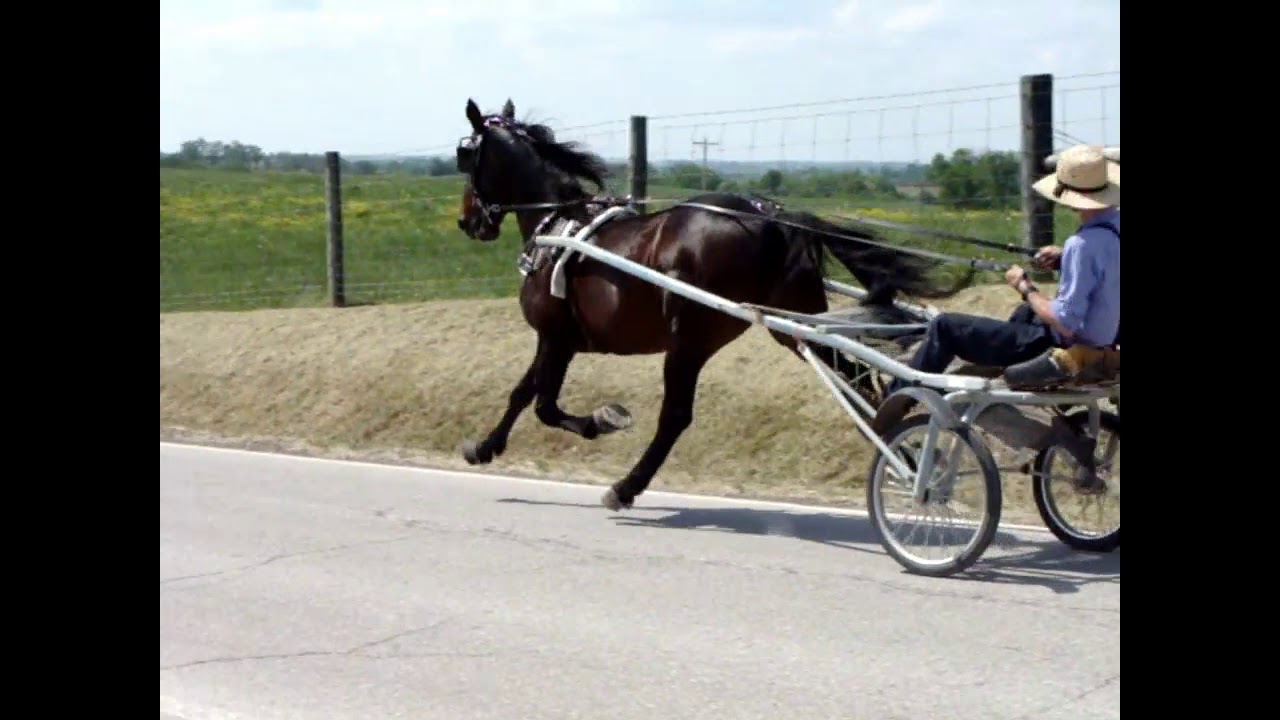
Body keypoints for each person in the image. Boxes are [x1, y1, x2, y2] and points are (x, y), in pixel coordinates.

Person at [883, 143, 1119, 396]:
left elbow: (1065, 321)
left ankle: (895, 397)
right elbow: (1105, 265)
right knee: (1026, 312)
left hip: (1067, 346)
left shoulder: (1082, 245)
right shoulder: (1112, 227)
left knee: (945, 326)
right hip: (1108, 338)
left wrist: (1024, 286)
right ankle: (1002, 370)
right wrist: (1064, 258)